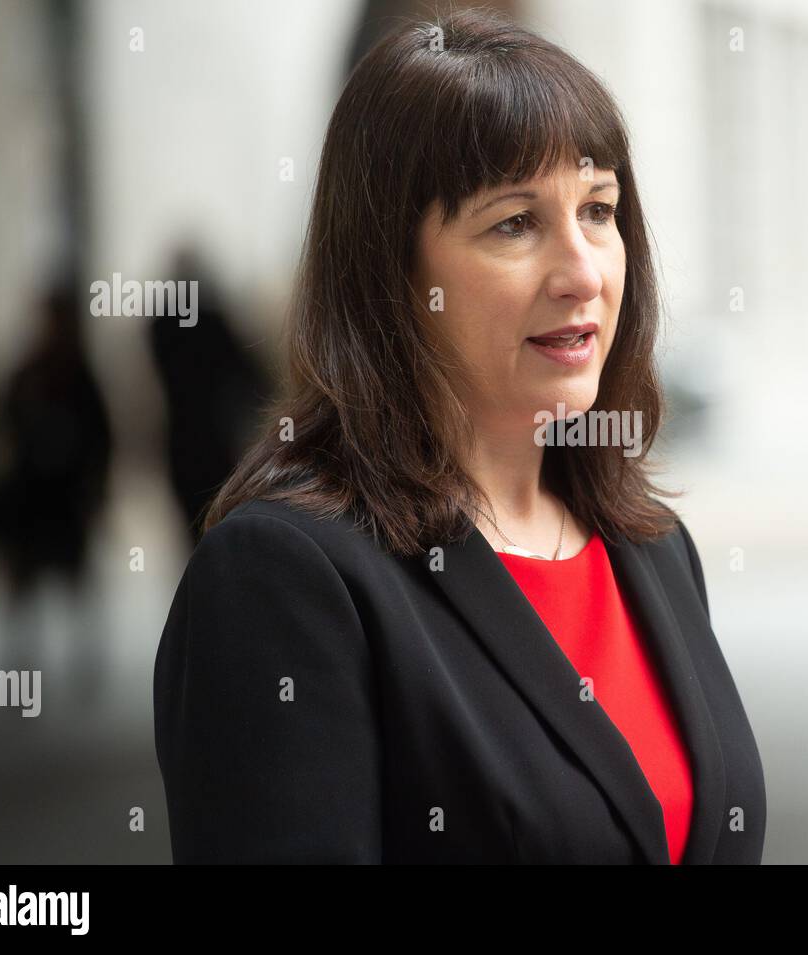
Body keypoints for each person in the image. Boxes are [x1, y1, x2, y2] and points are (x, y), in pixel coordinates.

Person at [152, 6, 766, 864]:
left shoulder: (654, 548)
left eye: (598, 209)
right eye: (514, 222)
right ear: (392, 276)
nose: (583, 270)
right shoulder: (284, 582)